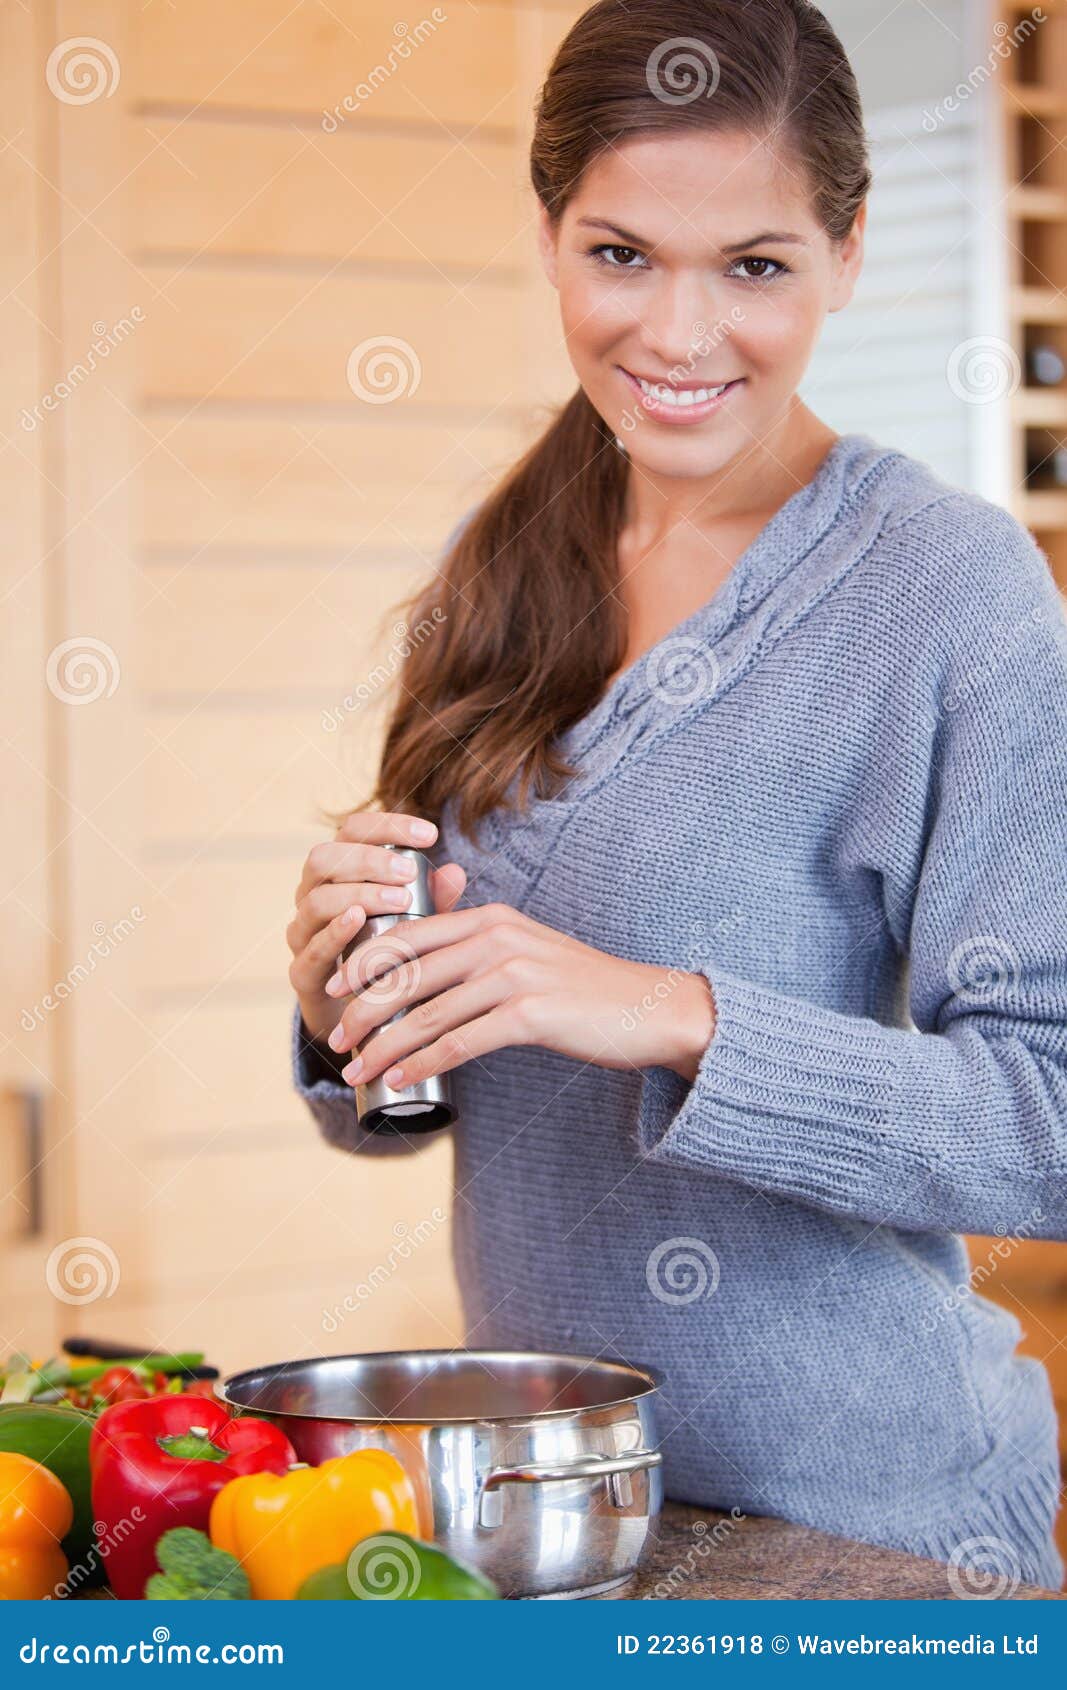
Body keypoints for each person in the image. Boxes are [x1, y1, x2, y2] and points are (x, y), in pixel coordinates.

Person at [286, 0, 1067, 1589]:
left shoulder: (948, 591)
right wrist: (345, 999)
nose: (678, 335)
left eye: (756, 266)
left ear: (848, 252)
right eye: (621, 254)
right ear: (553, 234)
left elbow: (1046, 1129)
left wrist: (671, 1011)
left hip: (863, 1533)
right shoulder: (510, 561)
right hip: (549, 1512)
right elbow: (431, 1105)